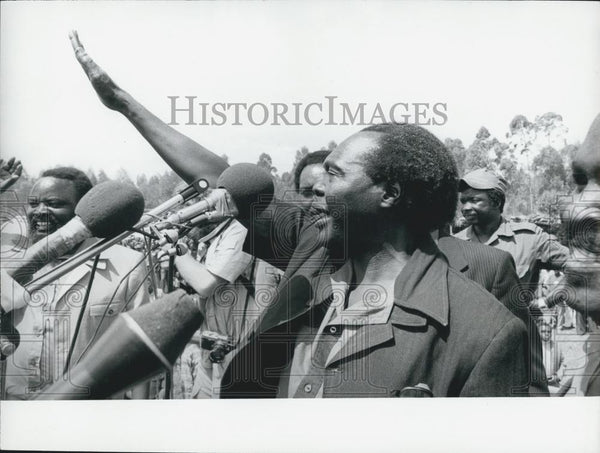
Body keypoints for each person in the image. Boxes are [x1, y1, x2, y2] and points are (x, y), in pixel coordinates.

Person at [69, 34, 528, 397]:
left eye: (334, 174)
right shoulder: (315, 241)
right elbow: (222, 178)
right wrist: (124, 103)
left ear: (389, 194)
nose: (316, 189)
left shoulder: (485, 328)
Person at [1, 167, 150, 399]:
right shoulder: (10, 262)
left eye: (53, 203)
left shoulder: (126, 264)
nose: (39, 211)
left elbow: (140, 347)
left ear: (84, 210)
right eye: (33, 203)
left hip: (91, 408)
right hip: (20, 405)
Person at [455, 168, 570, 291]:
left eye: (474, 200)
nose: (465, 208)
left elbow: (582, 266)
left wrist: (549, 300)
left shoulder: (529, 238)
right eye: (463, 201)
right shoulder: (455, 243)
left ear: (496, 202)